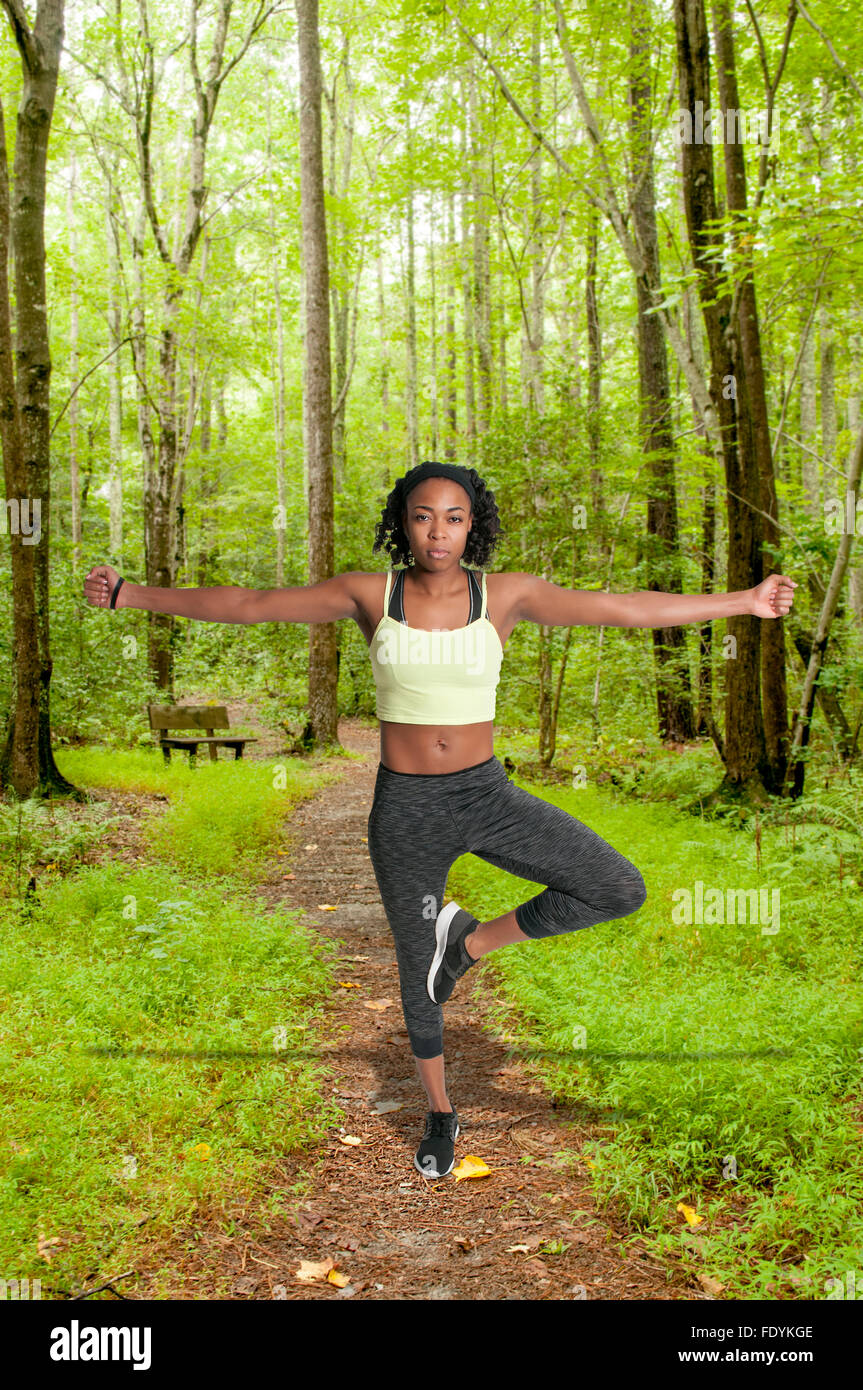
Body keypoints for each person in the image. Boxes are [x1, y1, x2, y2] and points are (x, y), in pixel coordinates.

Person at [83, 461, 797, 1180]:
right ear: (402, 521)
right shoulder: (369, 593)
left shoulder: (507, 595)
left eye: (454, 517)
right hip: (406, 808)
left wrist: (744, 601)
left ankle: (470, 943)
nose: (438, 531)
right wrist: (130, 594)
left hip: (487, 795)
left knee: (615, 887)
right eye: (423, 515)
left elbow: (624, 607)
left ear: (473, 524)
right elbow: (253, 602)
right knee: (413, 973)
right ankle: (440, 1112)